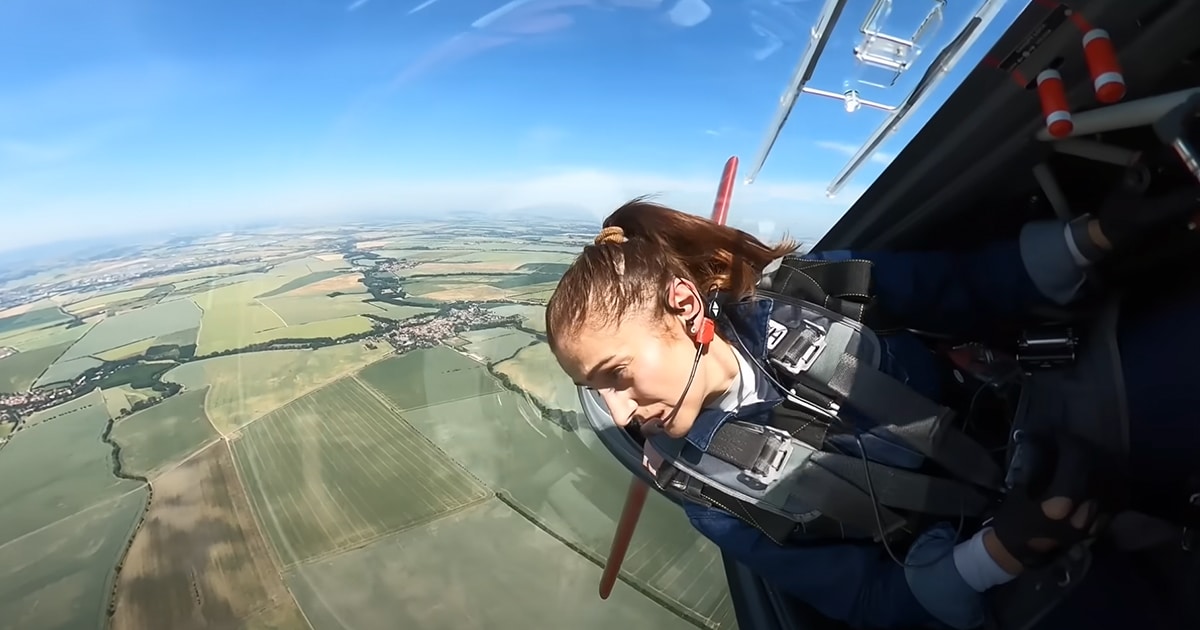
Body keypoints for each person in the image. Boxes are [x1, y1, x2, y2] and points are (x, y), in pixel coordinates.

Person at [543, 190, 1200, 630]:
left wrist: (1094, 237)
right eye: (596, 391)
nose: (621, 412)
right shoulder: (711, 500)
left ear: (685, 308)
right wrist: (1001, 551)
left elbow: (964, 288)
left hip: (1050, 412)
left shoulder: (812, 294)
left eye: (616, 375)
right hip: (995, 560)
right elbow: (870, 599)